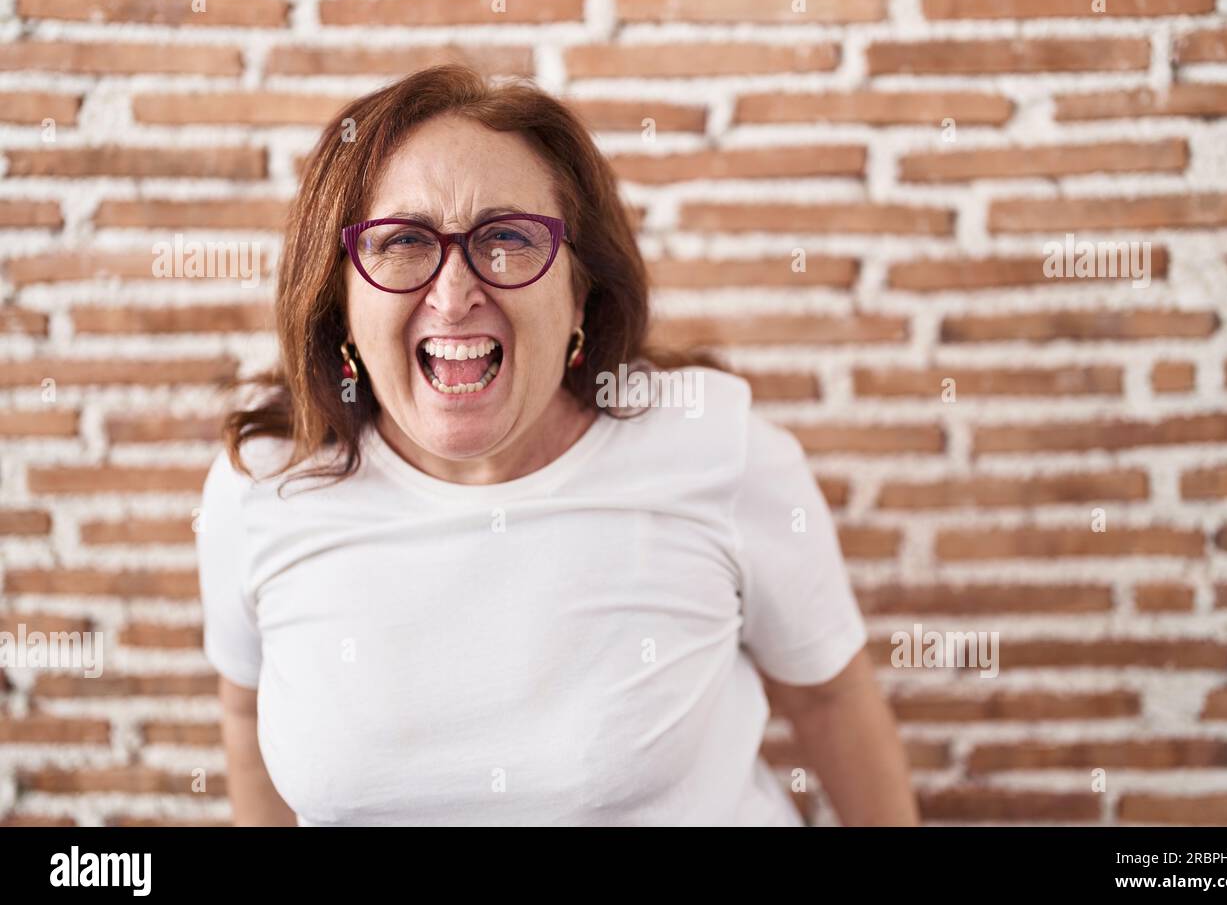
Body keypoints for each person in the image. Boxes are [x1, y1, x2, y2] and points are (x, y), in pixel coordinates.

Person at [197, 64, 919, 826]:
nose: (453, 293)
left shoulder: (716, 450)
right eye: (402, 241)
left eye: (506, 238)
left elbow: (832, 698)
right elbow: (245, 721)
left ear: (581, 290)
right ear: (340, 300)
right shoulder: (262, 485)